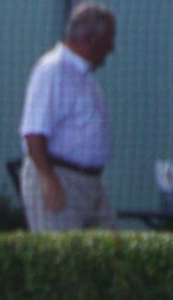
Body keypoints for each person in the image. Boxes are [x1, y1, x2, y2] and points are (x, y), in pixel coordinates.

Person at [18, 3, 117, 231]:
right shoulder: (53, 71)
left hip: (90, 183)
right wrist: (47, 178)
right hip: (61, 179)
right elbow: (33, 132)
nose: (112, 48)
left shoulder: (83, 76)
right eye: (109, 39)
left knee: (109, 257)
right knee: (61, 260)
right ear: (91, 39)